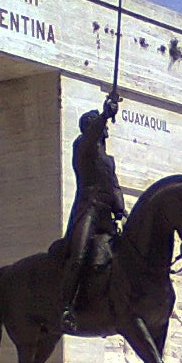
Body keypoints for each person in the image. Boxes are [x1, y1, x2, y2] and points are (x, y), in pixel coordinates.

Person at [59, 95, 125, 332]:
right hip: (89, 209)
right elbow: (92, 135)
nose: (105, 129)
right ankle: (65, 308)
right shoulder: (82, 147)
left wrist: (121, 210)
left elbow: (114, 184)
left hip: (107, 214)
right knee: (78, 255)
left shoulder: (107, 159)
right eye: (99, 125)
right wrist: (105, 114)